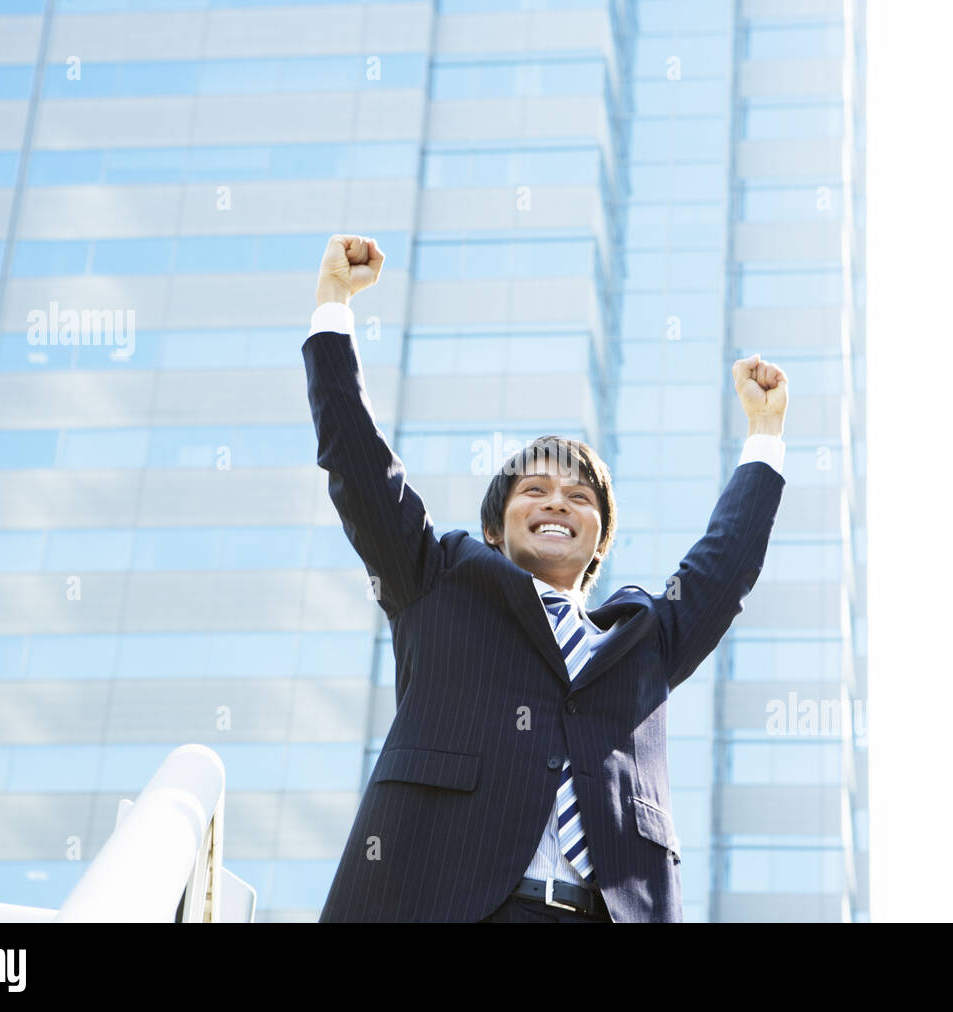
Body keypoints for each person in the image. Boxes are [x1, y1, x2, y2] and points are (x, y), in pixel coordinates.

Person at [304, 234, 788, 922]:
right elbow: (357, 463)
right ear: (496, 528)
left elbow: (725, 565)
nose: (559, 500)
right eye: (535, 488)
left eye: (581, 495)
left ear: (597, 542)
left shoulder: (645, 639)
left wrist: (764, 435)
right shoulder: (436, 578)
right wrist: (334, 307)